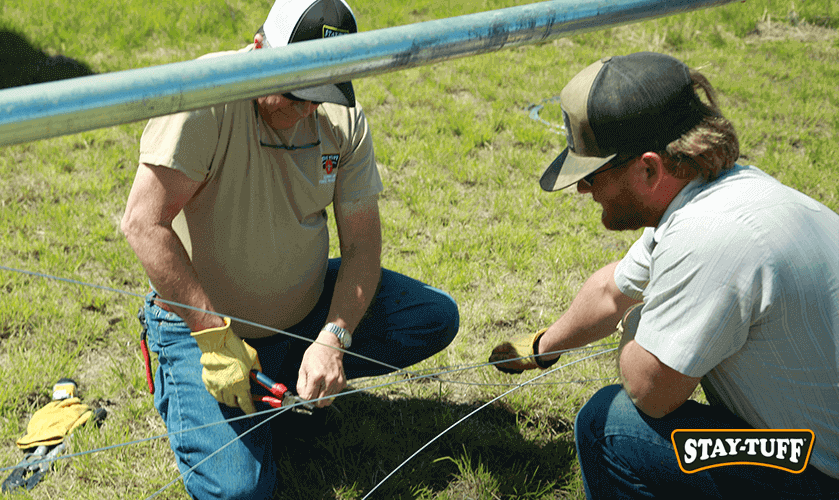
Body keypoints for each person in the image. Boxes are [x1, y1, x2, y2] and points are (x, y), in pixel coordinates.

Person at [120, 0, 460, 497]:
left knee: (432, 316)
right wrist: (214, 338)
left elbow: (363, 245)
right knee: (242, 492)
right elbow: (143, 223)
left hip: (306, 312)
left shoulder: (340, 119)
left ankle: (285, 381)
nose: (308, 109)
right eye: (296, 92)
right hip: (201, 331)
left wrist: (334, 336)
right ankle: (238, 393)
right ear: (260, 50)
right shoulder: (204, 96)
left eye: (321, 94)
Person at [489, 52, 839, 498]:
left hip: (819, 473)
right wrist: (539, 348)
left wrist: (638, 324)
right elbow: (610, 289)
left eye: (592, 174)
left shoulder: (707, 237)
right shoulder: (722, 192)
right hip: (822, 449)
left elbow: (649, 389)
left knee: (610, 427)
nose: (581, 188)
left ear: (649, 168)